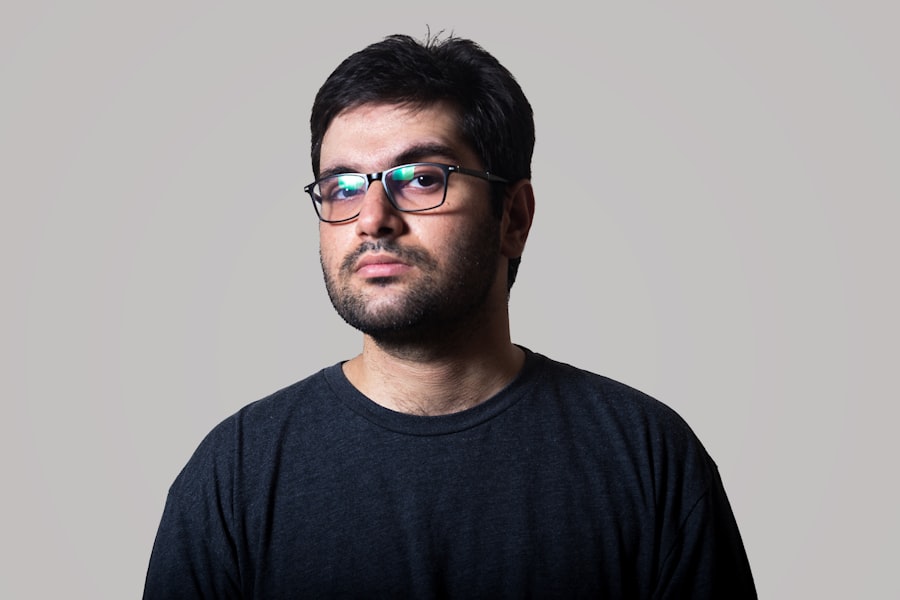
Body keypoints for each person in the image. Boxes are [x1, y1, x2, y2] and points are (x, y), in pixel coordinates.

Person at [143, 33, 756, 598]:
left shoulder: (648, 460)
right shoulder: (235, 475)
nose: (373, 218)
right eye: (343, 186)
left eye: (420, 178)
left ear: (513, 217)